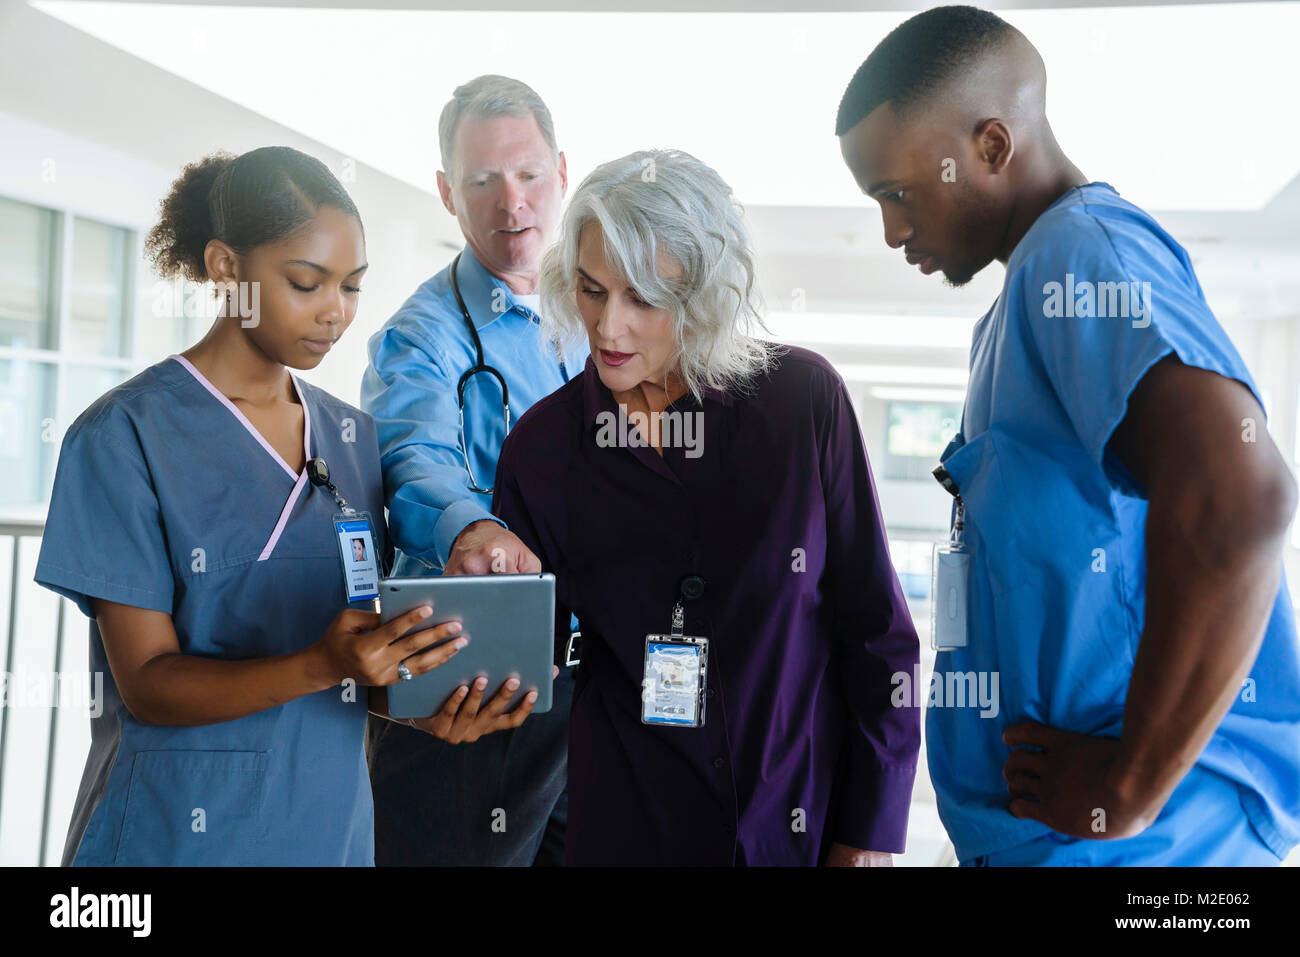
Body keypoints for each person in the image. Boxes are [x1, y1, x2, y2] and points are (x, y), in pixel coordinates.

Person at [836, 5, 1300, 865]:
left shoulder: (1079, 256)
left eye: (897, 194)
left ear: (991, 146)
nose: (894, 230)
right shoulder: (1019, 309)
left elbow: (1242, 497)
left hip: (1154, 852)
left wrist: (1131, 785)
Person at [33, 146, 535, 866]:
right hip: (169, 839)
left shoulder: (353, 437)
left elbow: (352, 670)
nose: (336, 312)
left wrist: (433, 708)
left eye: (353, 286)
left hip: (327, 836)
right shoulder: (125, 435)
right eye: (307, 282)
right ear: (226, 268)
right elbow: (147, 684)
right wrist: (321, 662)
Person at [490, 148, 921, 865]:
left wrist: (867, 836)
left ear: (704, 296)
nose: (609, 328)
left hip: (798, 830)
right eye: (593, 290)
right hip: (628, 833)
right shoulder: (542, 447)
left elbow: (878, 636)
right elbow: (525, 660)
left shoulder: (801, 403)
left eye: (645, 300)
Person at [362, 76, 587, 866]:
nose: (510, 202)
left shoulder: (601, 315)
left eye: (527, 175)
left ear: (562, 172)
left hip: (597, 694)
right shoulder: (422, 335)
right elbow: (412, 457)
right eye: (482, 181)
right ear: (446, 194)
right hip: (472, 694)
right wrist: (473, 526)